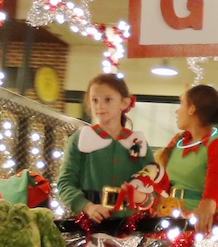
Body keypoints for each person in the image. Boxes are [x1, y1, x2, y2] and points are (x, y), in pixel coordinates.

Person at [56, 74, 155, 221]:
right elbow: (65, 183)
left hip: (129, 226)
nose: (99, 105)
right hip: (88, 224)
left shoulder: (138, 142)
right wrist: (87, 206)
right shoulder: (81, 139)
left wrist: (141, 198)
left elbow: (153, 187)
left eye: (107, 100)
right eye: (94, 100)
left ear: (124, 103)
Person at [158, 84, 218, 233]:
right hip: (166, 215)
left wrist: (207, 206)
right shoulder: (177, 141)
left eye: (181, 104)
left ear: (192, 109)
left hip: (195, 221)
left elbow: (216, 179)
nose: (177, 111)